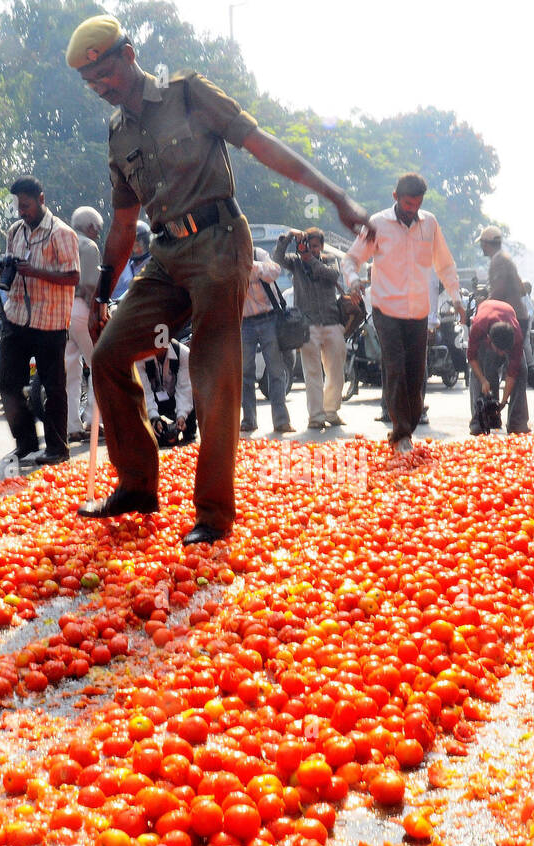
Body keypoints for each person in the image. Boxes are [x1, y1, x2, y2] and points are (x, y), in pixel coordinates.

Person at [67, 14, 367, 544]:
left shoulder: (188, 93)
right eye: (89, 85)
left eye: (104, 76)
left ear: (129, 55)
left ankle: (213, 513)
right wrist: (100, 292)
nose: (98, 90)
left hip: (219, 242)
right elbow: (120, 223)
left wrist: (335, 196)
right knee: (110, 354)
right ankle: (137, 485)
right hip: (164, 255)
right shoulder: (117, 135)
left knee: (213, 371)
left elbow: (260, 142)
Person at [343, 174, 461, 454]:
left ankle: (408, 426)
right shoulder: (378, 224)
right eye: (408, 203)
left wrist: (456, 297)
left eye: (417, 204)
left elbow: (444, 263)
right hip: (386, 307)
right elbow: (351, 258)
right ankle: (400, 434)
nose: (412, 209)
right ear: (395, 196)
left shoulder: (429, 223)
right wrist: (354, 280)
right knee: (394, 365)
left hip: (419, 309)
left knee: (416, 371)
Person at [0, 175, 80, 466]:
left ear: (41, 200)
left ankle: (58, 448)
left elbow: (73, 277)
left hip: (50, 322)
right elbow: (12, 265)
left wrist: (36, 272)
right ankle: (26, 443)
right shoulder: (15, 232)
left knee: (53, 388)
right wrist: (3, 269)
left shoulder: (62, 233)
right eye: (19, 206)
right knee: (7, 384)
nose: (22, 211)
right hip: (17, 317)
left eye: (27, 205)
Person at [477, 225, 534, 421]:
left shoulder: (498, 262)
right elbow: (520, 289)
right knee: (520, 366)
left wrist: (485, 306)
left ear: (486, 244)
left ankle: (494, 414)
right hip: (517, 316)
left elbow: (499, 291)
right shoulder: (505, 260)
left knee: (495, 366)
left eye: (482, 244)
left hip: (509, 319)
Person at [274, 227, 345, 429]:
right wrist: (289, 236)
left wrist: (309, 258)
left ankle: (331, 411)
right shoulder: (295, 262)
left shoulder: (330, 259)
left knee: (336, 371)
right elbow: (277, 258)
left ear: (321, 247)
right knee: (312, 373)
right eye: (307, 246)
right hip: (307, 326)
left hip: (332, 322)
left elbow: (331, 275)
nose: (311, 250)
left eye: (315, 246)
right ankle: (316, 417)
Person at [240, 245, 292, 434]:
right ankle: (249, 420)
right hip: (244, 322)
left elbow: (275, 271)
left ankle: (281, 421)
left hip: (269, 318)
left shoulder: (257, 254)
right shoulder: (227, 257)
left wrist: (252, 266)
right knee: (245, 373)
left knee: (276, 371)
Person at [467, 299, 534, 435]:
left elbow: (512, 373)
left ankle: (517, 422)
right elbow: (471, 357)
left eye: (505, 352)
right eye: (499, 351)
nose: (502, 355)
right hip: (485, 313)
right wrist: (483, 380)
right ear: (489, 340)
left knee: (522, 370)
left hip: (508, 314)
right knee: (481, 369)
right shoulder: (478, 328)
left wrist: (503, 402)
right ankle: (478, 421)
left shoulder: (516, 336)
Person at [67, 205, 104, 442]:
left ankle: (71, 426)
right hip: (82, 309)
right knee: (99, 366)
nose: (98, 233)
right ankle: (93, 421)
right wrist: (98, 314)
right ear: (90, 227)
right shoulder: (88, 246)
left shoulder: (63, 240)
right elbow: (91, 285)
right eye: (97, 229)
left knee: (71, 371)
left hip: (62, 310)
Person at [140, 339, 196, 448]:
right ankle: (156, 427)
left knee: (189, 429)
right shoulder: (140, 357)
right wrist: (153, 417)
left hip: (174, 397)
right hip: (153, 399)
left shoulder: (183, 353)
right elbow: (144, 392)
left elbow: (184, 388)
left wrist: (182, 415)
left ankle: (187, 429)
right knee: (152, 439)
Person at [112, 221, 151, 299]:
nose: (136, 250)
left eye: (138, 244)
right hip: (118, 308)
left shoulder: (155, 263)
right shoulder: (122, 265)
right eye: (131, 245)